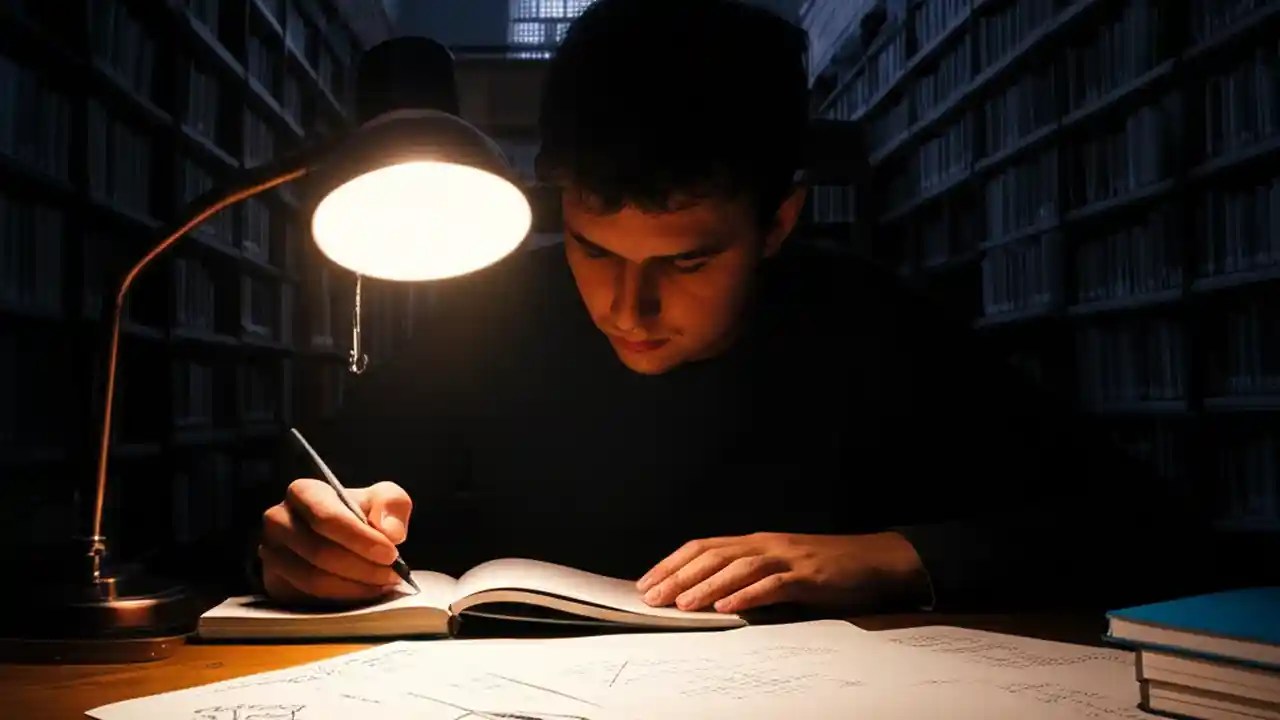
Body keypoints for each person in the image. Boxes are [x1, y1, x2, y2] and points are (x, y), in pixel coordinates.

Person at [251, 0, 1215, 617]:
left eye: (689, 259)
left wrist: (897, 556)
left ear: (780, 220)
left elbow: (1154, 530)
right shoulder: (484, 319)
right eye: (592, 248)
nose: (628, 306)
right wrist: (304, 544)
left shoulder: (871, 326)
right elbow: (277, 518)